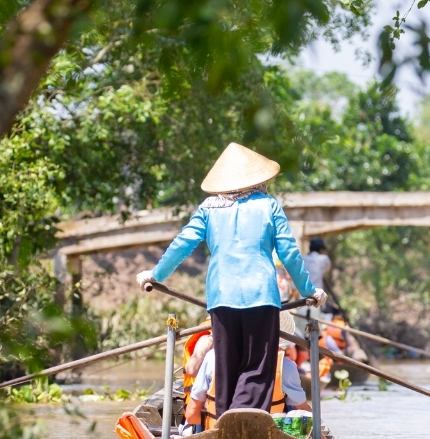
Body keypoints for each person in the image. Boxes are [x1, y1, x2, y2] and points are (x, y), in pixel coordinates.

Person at [136, 142, 326, 421]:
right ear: (258, 180)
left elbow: (182, 244)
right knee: (257, 368)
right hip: (261, 297)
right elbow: (289, 253)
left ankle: (225, 420)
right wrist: (309, 291)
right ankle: (242, 420)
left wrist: (156, 275)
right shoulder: (269, 206)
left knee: (226, 367)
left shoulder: (208, 208)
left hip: (221, 297)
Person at [184, 311, 309, 431]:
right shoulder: (286, 366)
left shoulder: (212, 357)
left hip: (220, 434)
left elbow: (191, 414)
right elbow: (304, 411)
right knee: (298, 413)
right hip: (268, 436)